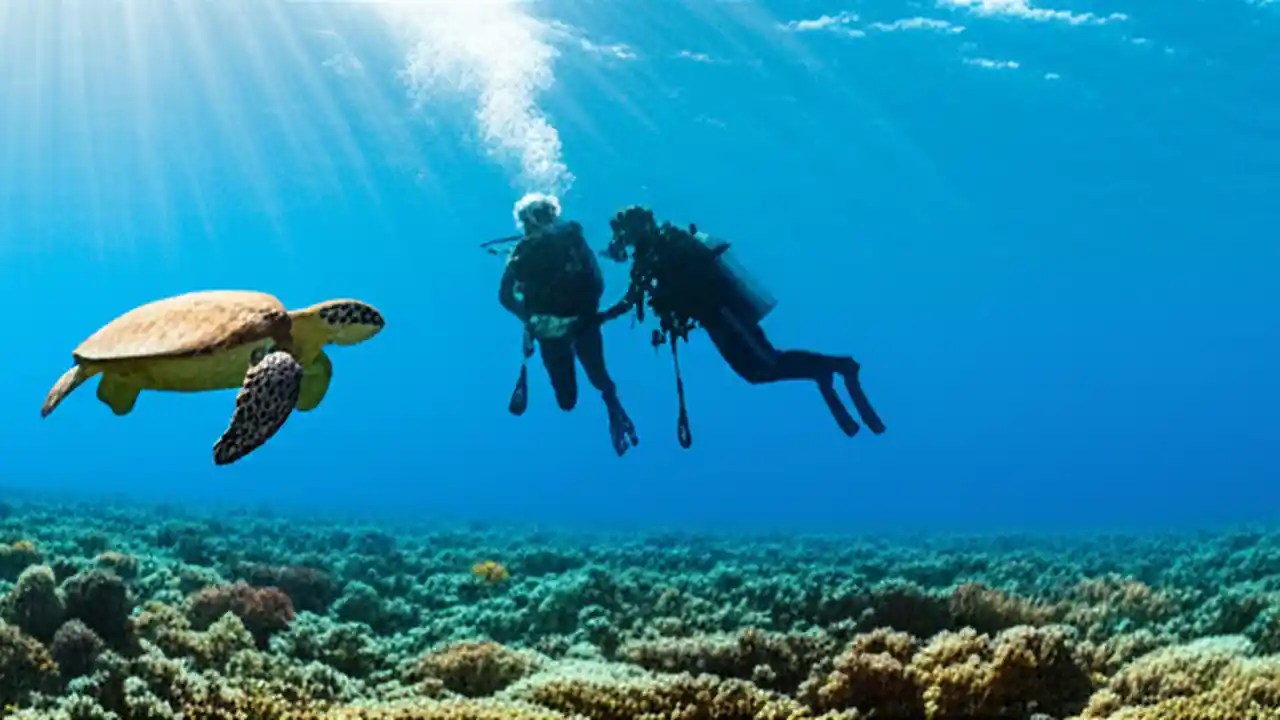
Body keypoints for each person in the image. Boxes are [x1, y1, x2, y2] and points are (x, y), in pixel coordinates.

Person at [599, 205, 884, 444]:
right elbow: (630, 300)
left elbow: (695, 280)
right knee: (755, 373)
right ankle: (819, 372)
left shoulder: (669, 244)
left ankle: (839, 366)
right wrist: (598, 319)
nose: (623, 242)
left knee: (767, 362)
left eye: (625, 234)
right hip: (714, 320)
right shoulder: (647, 260)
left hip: (724, 311)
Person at [496, 193, 638, 456]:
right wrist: (533, 320)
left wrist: (535, 320)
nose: (539, 223)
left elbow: (505, 296)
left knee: (587, 384)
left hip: (569, 324)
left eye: (543, 216)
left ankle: (611, 401)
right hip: (566, 325)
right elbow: (505, 296)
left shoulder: (565, 242)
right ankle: (611, 400)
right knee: (570, 396)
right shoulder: (535, 249)